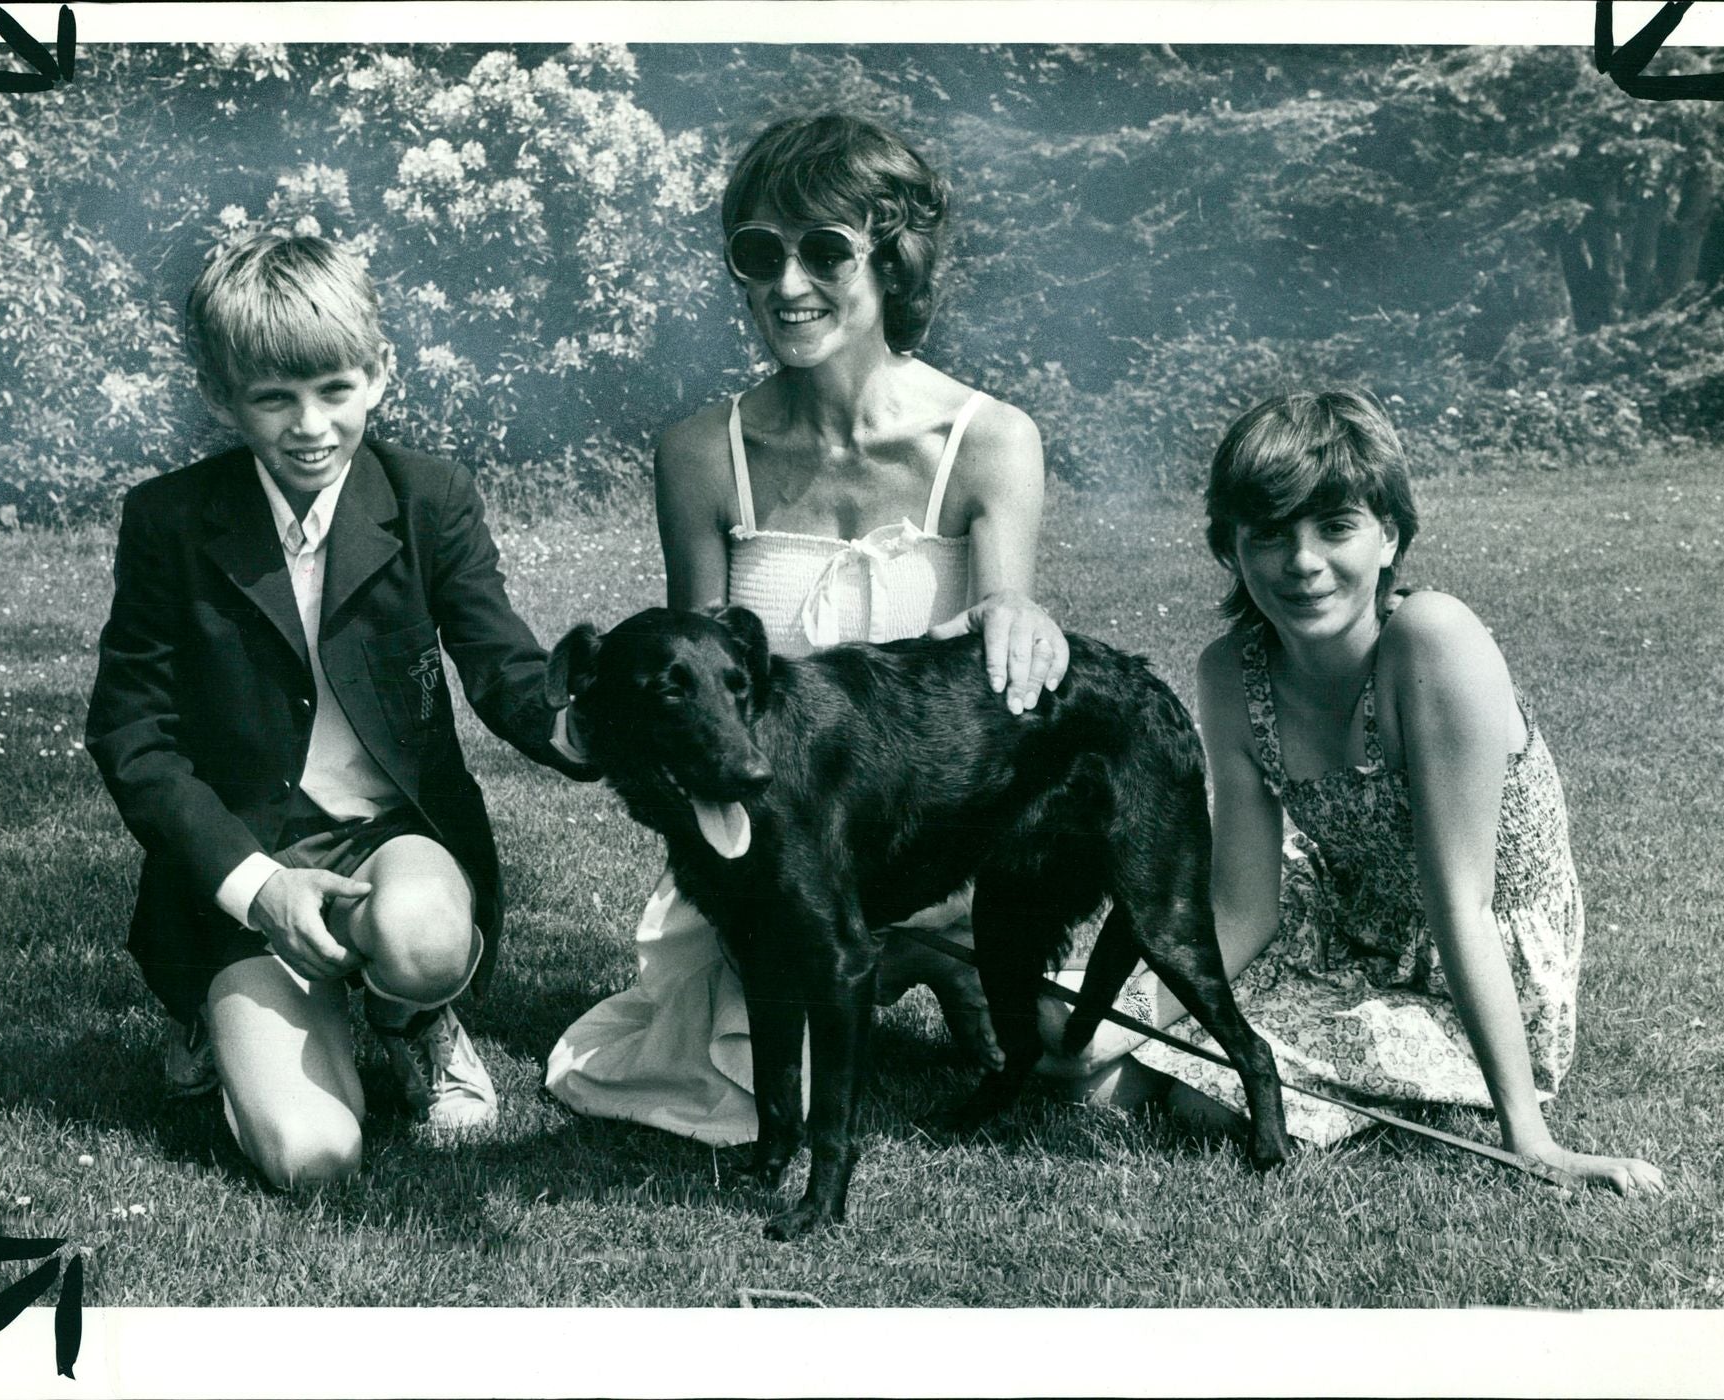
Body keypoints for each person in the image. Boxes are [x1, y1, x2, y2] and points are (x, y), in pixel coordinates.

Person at [545, 112, 1099, 1144]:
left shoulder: (990, 440)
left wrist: (1019, 614)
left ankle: (946, 954)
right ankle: (874, 974)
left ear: (890, 257)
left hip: (934, 839)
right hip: (778, 851)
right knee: (728, 1085)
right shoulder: (701, 454)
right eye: (759, 253)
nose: (787, 283)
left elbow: (996, 681)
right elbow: (697, 699)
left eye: (825, 250)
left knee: (1081, 1062)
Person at [1049, 387, 1666, 1194]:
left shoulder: (1433, 639)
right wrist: (1115, 1026)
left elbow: (1463, 905)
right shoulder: (1231, 672)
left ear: (1390, 537)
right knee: (1080, 1063)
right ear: (1230, 547)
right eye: (1269, 534)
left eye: (1335, 528)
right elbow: (1243, 909)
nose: (1302, 562)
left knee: (1208, 1105)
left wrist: (1531, 1141)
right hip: (1330, 921)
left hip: (1459, 959)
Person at [86, 232, 593, 1188]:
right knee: (316, 1159)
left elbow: (501, 661)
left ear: (380, 373)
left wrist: (578, 725)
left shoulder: (430, 497)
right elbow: (132, 735)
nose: (310, 425)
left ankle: (413, 1017)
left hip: (392, 844)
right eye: (273, 398)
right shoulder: (168, 521)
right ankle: (218, 1013)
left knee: (423, 940)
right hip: (250, 858)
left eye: (334, 389)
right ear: (221, 397)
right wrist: (258, 888)